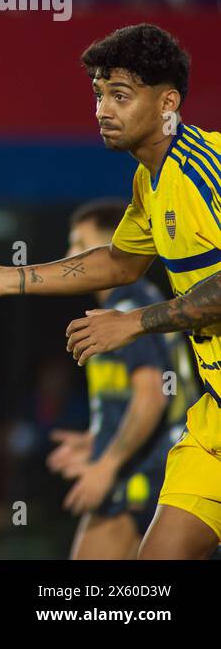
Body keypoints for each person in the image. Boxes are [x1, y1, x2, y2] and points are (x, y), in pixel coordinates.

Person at [0, 23, 221, 559]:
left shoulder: (206, 170)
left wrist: (135, 321)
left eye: (121, 96)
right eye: (99, 95)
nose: (103, 109)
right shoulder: (150, 181)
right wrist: (3, 279)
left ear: (168, 102)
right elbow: (120, 261)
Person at [47, 199, 192, 558]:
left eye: (80, 246)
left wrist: (105, 465)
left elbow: (152, 396)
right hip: (165, 469)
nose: (70, 256)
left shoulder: (123, 312)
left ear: (111, 247)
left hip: (139, 474)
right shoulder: (143, 302)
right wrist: (99, 437)